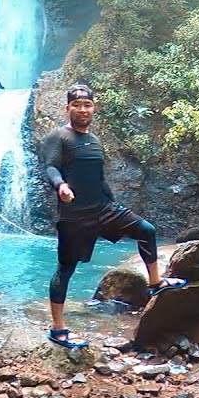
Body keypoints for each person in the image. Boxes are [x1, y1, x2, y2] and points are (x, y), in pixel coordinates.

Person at [38, 83, 186, 348]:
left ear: (93, 108)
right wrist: (60, 186)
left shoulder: (94, 141)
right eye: (77, 105)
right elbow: (50, 166)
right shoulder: (58, 137)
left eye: (87, 105)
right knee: (66, 269)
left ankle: (155, 282)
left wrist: (113, 203)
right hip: (74, 215)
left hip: (104, 210)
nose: (83, 109)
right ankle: (58, 328)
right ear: (68, 108)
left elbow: (98, 178)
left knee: (146, 230)